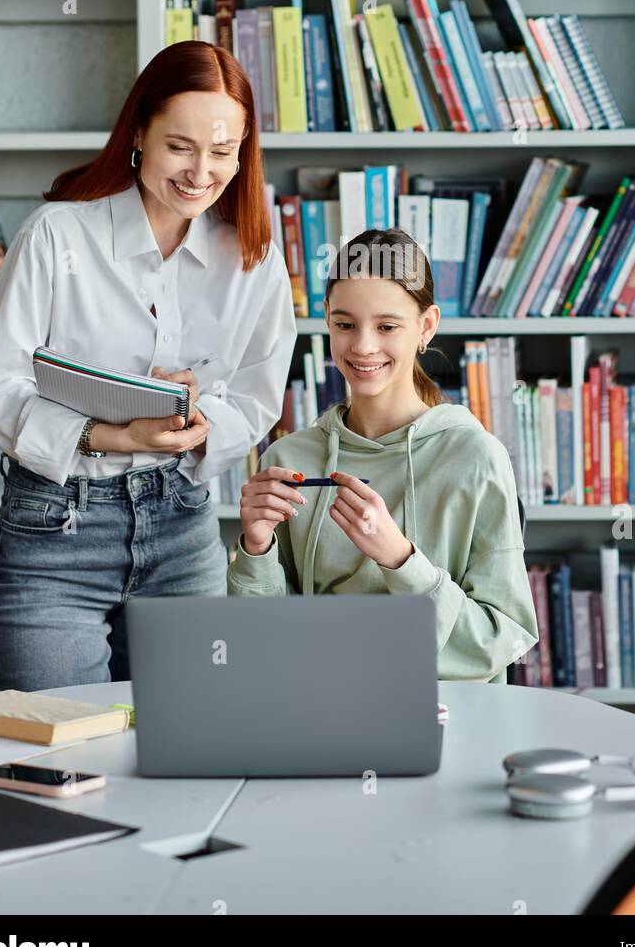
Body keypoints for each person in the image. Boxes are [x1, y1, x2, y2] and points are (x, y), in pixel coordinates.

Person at [0, 41, 296, 690]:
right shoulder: (57, 235)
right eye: (180, 146)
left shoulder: (251, 254)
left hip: (182, 522)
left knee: (190, 747)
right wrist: (115, 434)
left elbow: (257, 395)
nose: (201, 172)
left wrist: (203, 419)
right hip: (56, 531)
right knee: (69, 756)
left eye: (223, 150)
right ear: (139, 133)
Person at [229, 227, 538, 682]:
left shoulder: (476, 457)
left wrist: (399, 560)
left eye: (387, 326)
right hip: (317, 713)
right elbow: (262, 645)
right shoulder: (288, 457)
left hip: (445, 721)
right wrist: (257, 548)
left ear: (426, 327)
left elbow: (499, 639)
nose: (363, 346)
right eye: (345, 324)